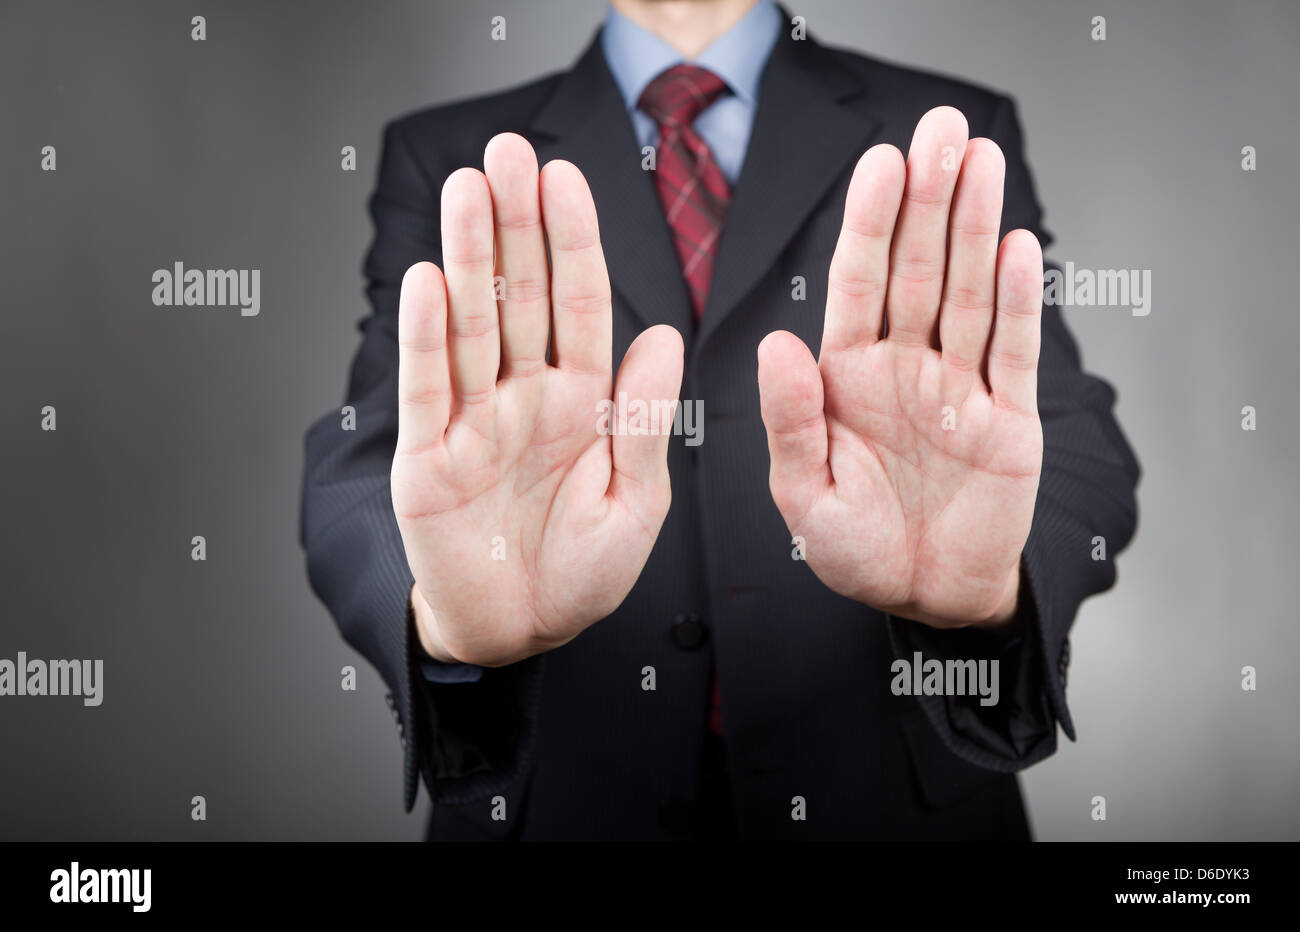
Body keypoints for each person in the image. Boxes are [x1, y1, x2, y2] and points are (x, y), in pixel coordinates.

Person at [300, 0, 1140, 840]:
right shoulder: (448, 156)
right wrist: (443, 620)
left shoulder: (945, 132)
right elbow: (364, 464)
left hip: (889, 805)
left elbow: (1066, 442)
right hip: (565, 807)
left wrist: (989, 594)